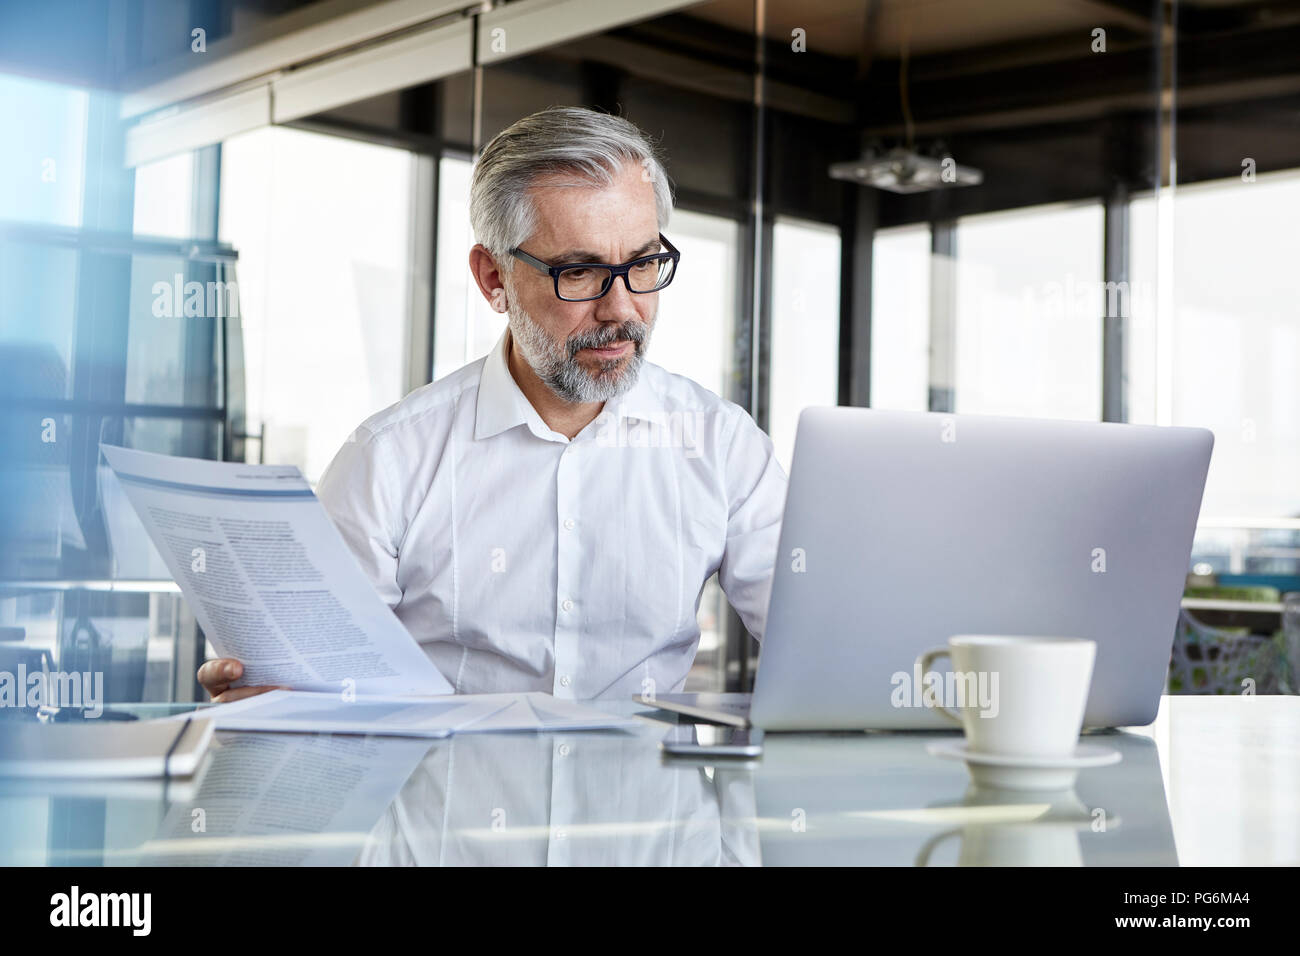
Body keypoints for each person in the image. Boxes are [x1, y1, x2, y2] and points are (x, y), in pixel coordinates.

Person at [199, 106, 786, 703]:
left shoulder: (721, 446)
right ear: (492, 278)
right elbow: (312, 687)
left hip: (648, 798)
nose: (621, 309)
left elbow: (823, 646)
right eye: (579, 272)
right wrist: (272, 696)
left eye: (641, 264)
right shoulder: (390, 459)